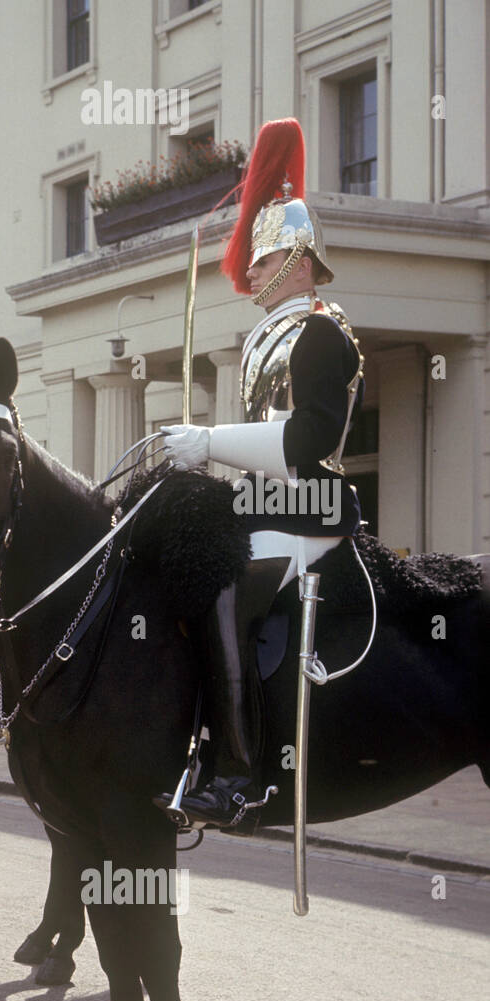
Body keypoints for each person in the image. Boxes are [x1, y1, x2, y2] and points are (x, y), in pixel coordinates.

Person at [154, 117, 364, 828]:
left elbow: (309, 440)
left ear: (297, 261)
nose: (247, 270)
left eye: (261, 257)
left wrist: (210, 441)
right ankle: (201, 747)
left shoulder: (320, 332)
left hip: (309, 507)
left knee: (224, 592)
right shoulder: (270, 335)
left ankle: (242, 775)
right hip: (263, 509)